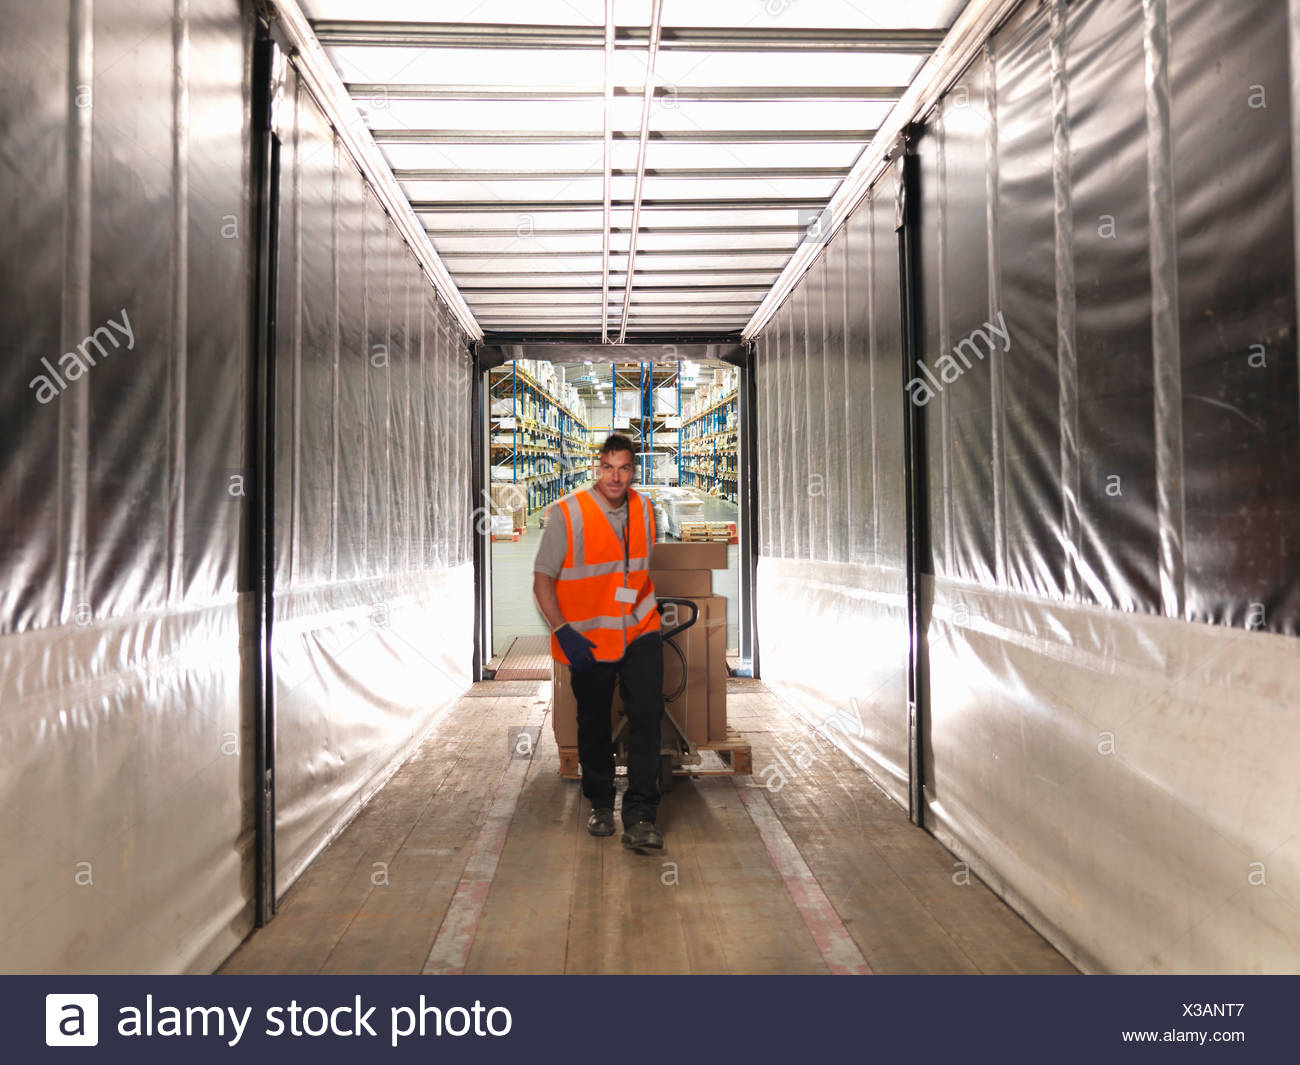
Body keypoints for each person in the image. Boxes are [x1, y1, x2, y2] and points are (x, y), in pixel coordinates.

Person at [533, 434, 665, 851]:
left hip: (640, 627)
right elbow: (542, 582)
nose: (616, 476)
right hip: (588, 638)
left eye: (624, 468)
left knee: (647, 715)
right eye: (608, 467)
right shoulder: (566, 514)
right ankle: (602, 804)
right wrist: (563, 632)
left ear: (633, 471)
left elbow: (635, 571)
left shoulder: (645, 509)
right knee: (593, 721)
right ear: (597, 468)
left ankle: (641, 814)